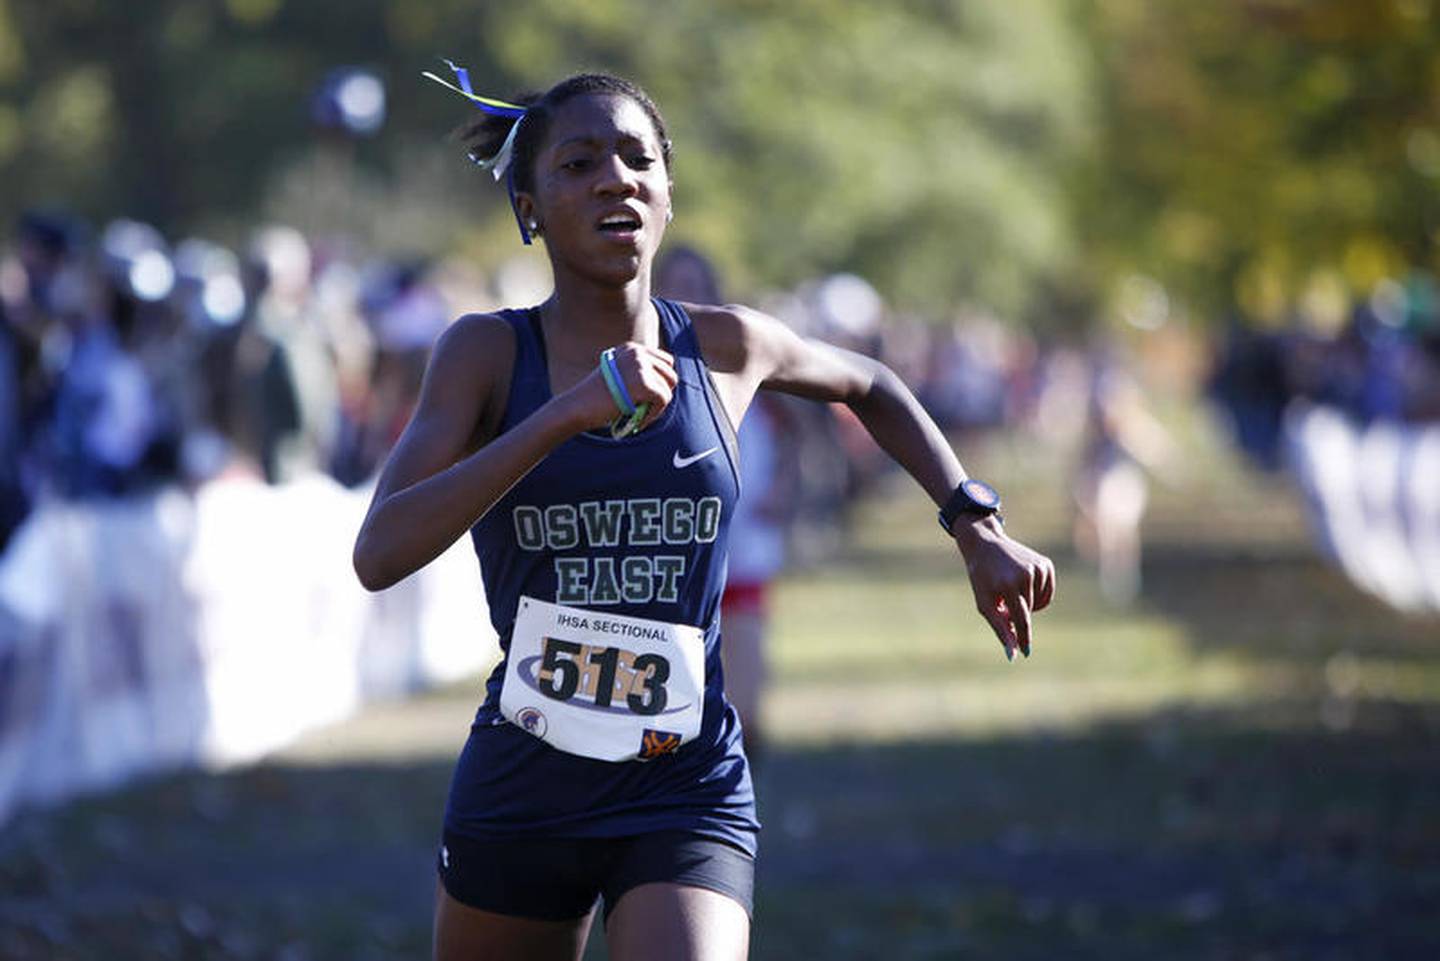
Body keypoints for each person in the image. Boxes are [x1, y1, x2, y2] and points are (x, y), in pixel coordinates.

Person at [353, 67, 1056, 961]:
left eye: (638, 159)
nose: (616, 178)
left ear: (669, 197)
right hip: (527, 778)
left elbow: (871, 383)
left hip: (684, 777)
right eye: (579, 163)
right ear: (528, 209)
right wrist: (563, 415)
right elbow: (379, 550)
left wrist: (973, 523)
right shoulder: (487, 354)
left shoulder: (724, 346)